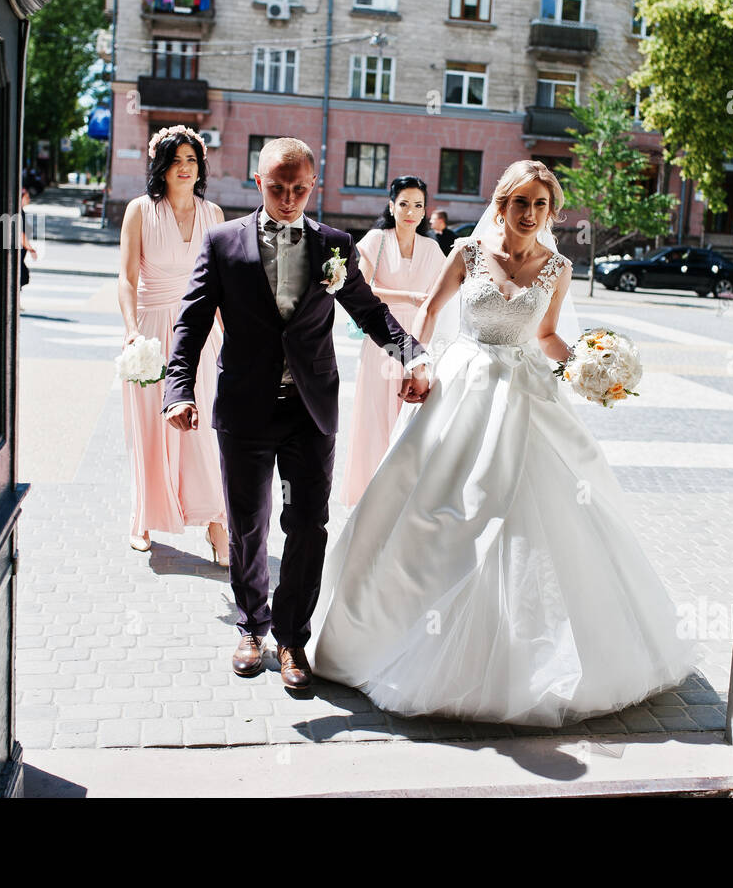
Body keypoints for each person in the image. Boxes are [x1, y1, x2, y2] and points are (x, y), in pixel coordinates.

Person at [308, 160, 702, 726]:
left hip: (525, 391)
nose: (531, 214)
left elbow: (544, 334)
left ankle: (526, 655)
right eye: (522, 202)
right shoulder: (466, 251)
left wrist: (589, 368)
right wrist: (414, 362)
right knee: (438, 506)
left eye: (542, 205)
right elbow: (428, 309)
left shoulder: (557, 267)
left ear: (551, 211)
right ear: (502, 203)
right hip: (463, 385)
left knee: (538, 511)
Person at [162, 137, 432, 689]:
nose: (289, 199)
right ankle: (250, 626)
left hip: (310, 409)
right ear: (257, 183)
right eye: (278, 188)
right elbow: (190, 322)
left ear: (314, 186)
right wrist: (178, 391)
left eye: (299, 189)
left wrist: (414, 358)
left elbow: (370, 311)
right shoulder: (221, 243)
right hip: (244, 408)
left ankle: (291, 638)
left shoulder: (335, 244)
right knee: (247, 527)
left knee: (308, 524)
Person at [118, 125, 230, 564]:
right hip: (149, 330)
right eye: (176, 160)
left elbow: (222, 285)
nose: (185, 168)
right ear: (160, 166)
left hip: (201, 331)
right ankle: (143, 516)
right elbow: (126, 279)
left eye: (192, 160)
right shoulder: (139, 211)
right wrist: (131, 331)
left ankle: (217, 523)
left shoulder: (215, 214)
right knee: (150, 430)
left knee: (204, 430)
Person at [341, 176, 446, 506]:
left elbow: (445, 293)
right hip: (380, 337)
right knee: (376, 414)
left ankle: (406, 493)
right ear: (391, 206)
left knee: (412, 413)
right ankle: (372, 493)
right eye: (404, 204)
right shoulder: (375, 240)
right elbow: (363, 290)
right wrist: (410, 297)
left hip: (419, 337)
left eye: (418, 205)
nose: (411, 211)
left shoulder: (432, 248)